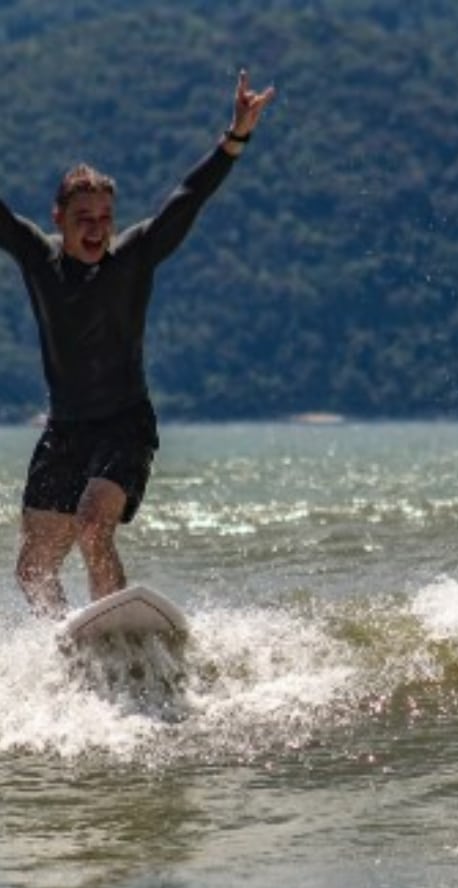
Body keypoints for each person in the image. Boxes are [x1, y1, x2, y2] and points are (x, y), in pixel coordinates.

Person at [1, 71, 275, 617]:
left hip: (126, 422)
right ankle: (71, 652)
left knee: (93, 525)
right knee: (33, 570)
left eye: (105, 217)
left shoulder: (135, 256)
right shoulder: (39, 257)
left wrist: (235, 136)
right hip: (65, 429)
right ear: (59, 219)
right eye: (84, 219)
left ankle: (117, 636)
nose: (97, 228)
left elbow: (188, 197)